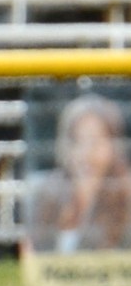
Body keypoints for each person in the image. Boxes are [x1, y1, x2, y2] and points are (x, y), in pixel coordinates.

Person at [25, 91, 131, 254]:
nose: (85, 153)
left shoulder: (126, 197)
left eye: (95, 141)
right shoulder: (45, 193)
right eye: (77, 141)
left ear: (114, 145)